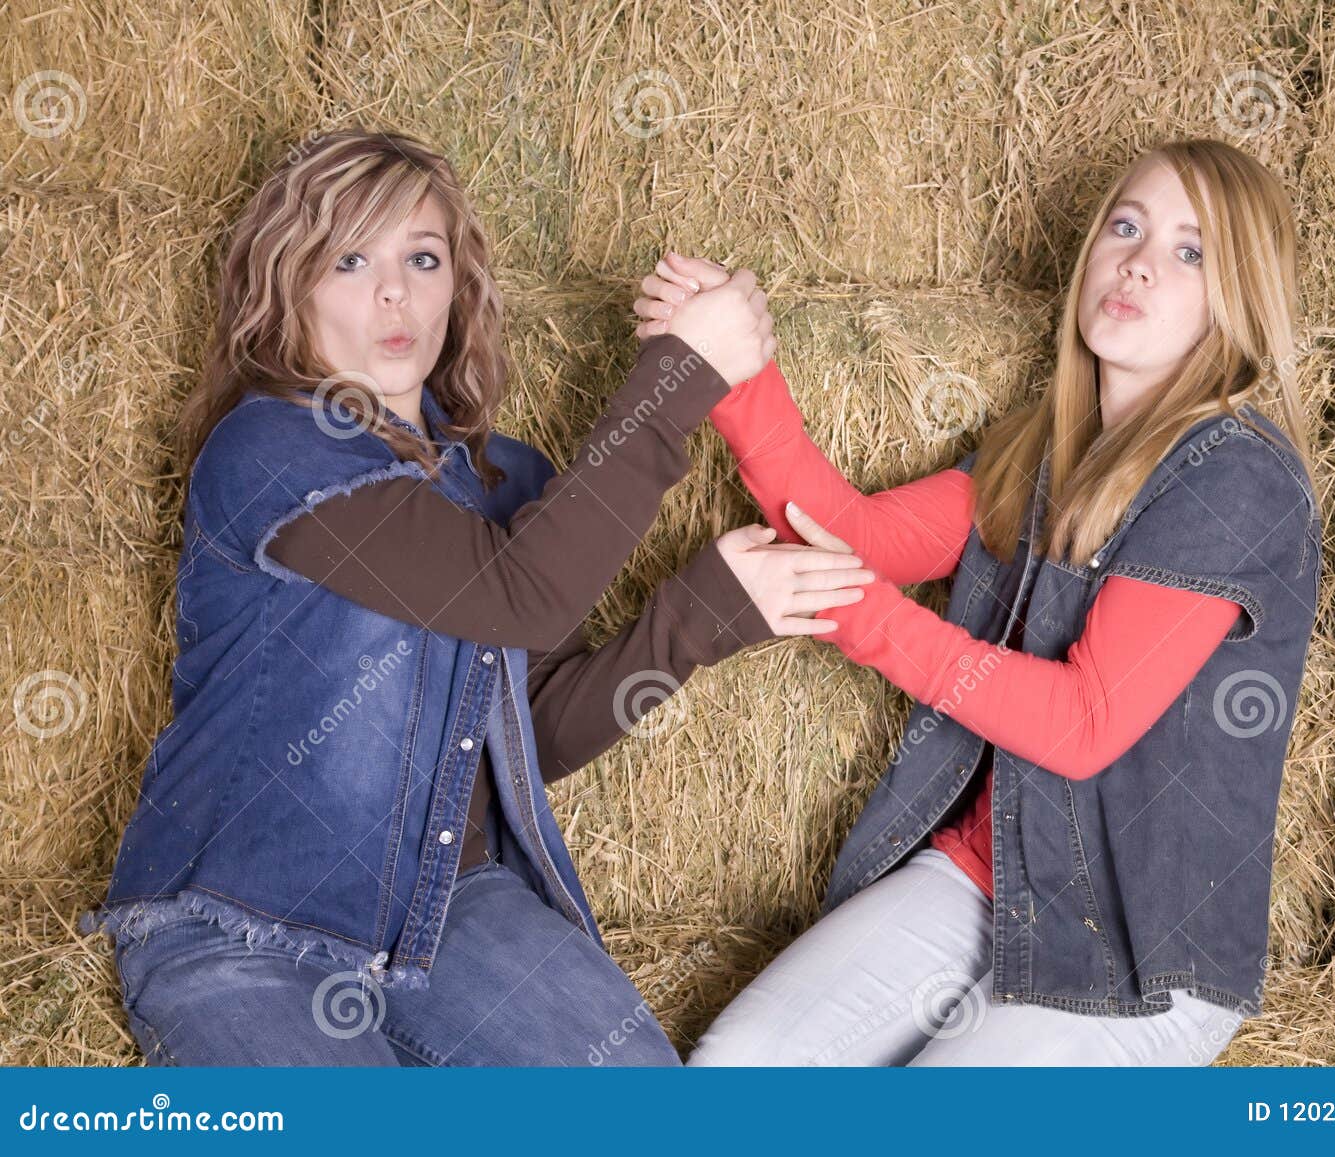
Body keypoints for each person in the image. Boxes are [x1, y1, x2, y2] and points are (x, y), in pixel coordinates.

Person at [77, 129, 872, 1066]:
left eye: (423, 257)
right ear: (285, 289)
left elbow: (531, 732)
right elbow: (518, 595)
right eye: (349, 259)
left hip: (451, 907)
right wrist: (678, 378)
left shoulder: (508, 483)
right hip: (248, 923)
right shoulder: (271, 452)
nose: (393, 293)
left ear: (459, 285)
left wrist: (704, 613)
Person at [634, 139, 1324, 1065]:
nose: (1139, 263)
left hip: (1140, 950)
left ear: (1240, 301)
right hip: (985, 875)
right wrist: (735, 370)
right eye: (1126, 226)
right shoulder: (1040, 457)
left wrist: (864, 617)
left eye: (1190, 252)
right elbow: (852, 532)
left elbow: (1084, 722)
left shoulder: (1234, 479)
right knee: (737, 1068)